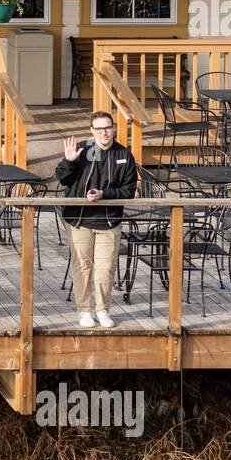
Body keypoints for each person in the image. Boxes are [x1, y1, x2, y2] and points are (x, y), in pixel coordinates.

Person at [56, 109, 138, 329]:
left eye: (108, 128)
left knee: (105, 268)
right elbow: (63, 179)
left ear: (114, 129)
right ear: (92, 131)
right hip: (79, 219)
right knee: (82, 266)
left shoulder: (124, 154)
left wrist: (104, 194)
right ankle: (84, 310)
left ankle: (102, 309)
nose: (104, 132)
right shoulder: (83, 149)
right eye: (99, 129)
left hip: (109, 221)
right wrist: (69, 161)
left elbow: (129, 191)